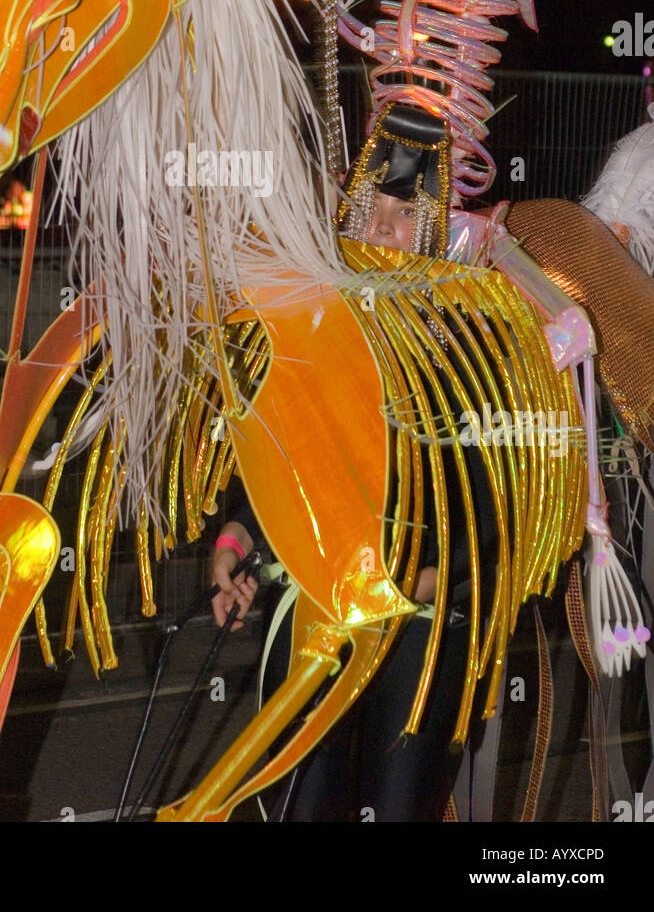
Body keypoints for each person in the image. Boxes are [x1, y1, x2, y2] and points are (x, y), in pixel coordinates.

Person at [211, 101, 495, 821]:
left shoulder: (461, 349)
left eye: (403, 216)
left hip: (421, 620)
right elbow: (283, 461)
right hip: (312, 603)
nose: (380, 230)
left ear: (431, 229)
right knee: (302, 803)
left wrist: (433, 578)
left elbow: (491, 508)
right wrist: (238, 544)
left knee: (403, 809)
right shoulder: (314, 329)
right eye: (370, 211)